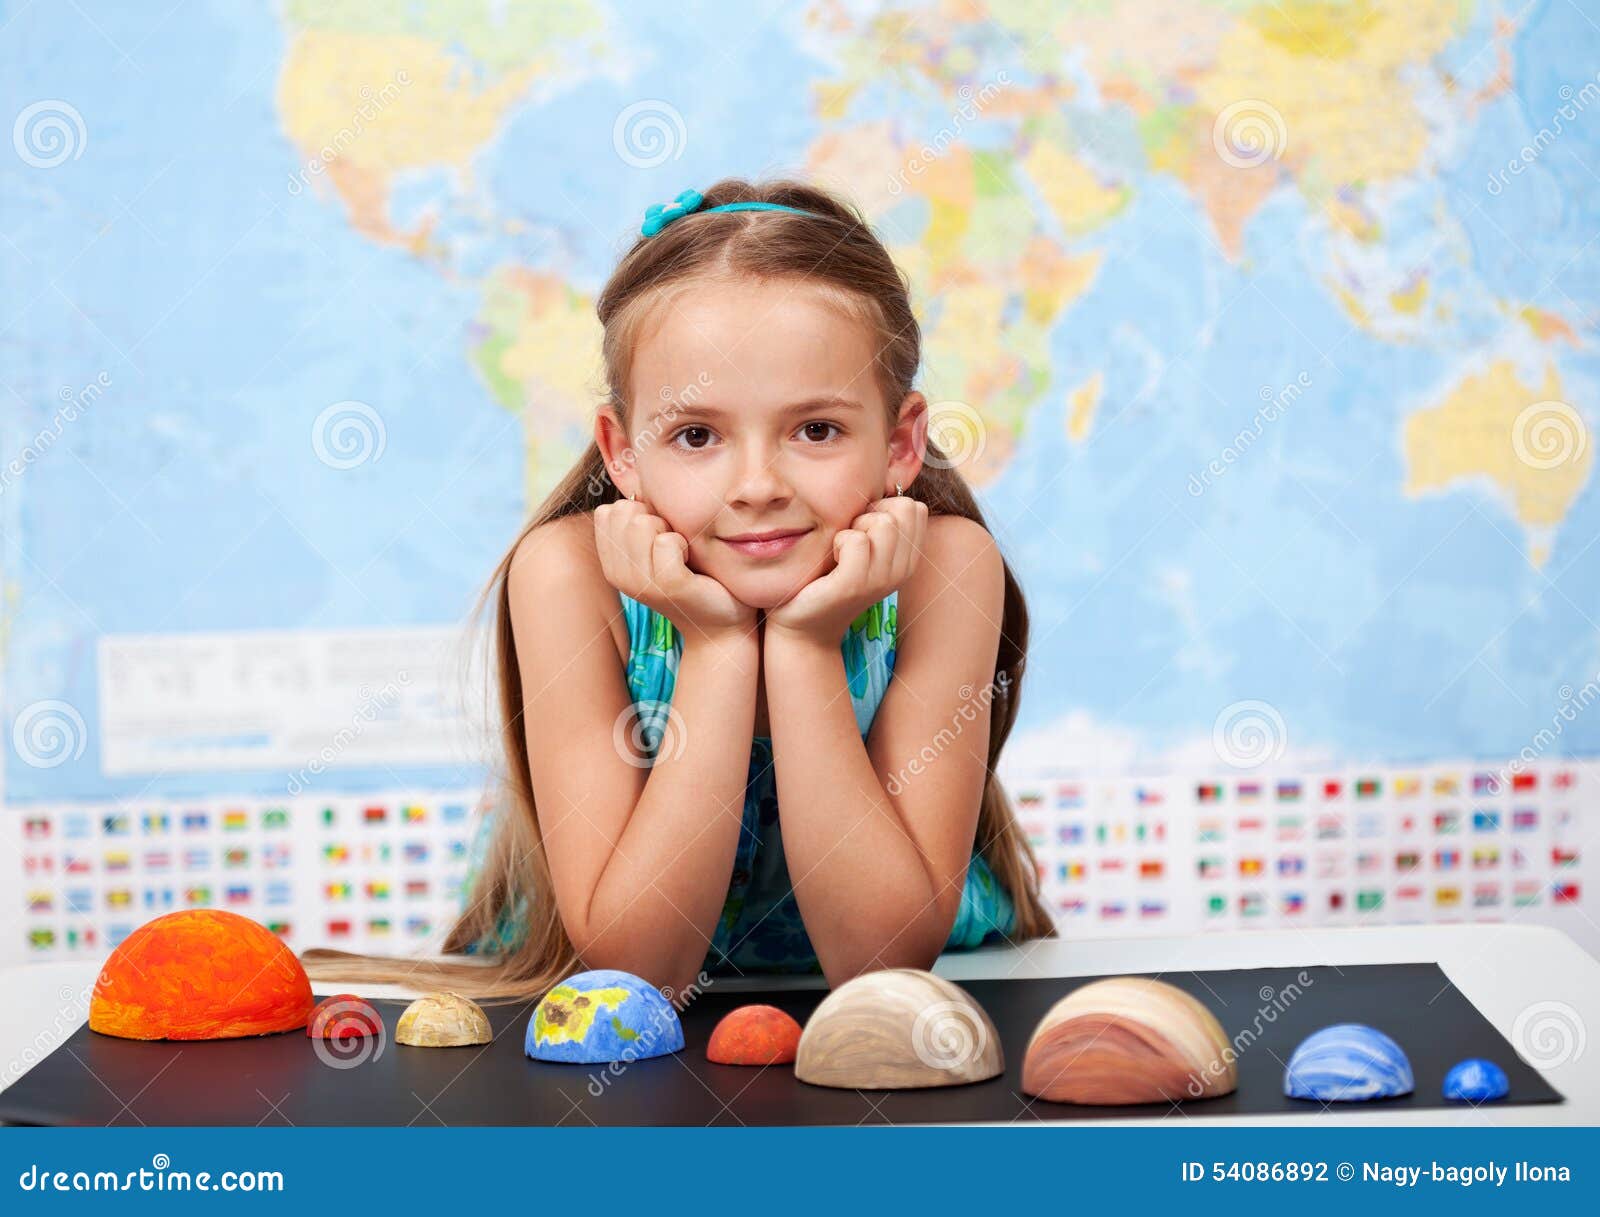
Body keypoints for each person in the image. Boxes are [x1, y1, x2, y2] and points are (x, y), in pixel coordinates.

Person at [301, 177, 1055, 1003]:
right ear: (623, 454)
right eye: (697, 435)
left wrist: (804, 646)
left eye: (816, 429)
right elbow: (640, 972)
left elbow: (879, 968)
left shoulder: (943, 570)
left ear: (902, 442)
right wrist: (718, 643)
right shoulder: (566, 575)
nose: (759, 483)